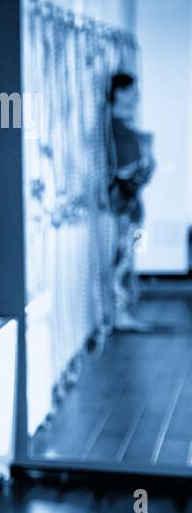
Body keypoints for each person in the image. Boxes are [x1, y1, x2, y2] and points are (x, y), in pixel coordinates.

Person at [105, 71, 156, 331]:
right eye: (132, 91)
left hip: (131, 209)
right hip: (123, 210)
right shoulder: (118, 132)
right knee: (122, 260)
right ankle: (119, 315)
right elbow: (126, 177)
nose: (136, 97)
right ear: (120, 92)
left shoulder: (126, 130)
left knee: (129, 258)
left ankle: (123, 312)